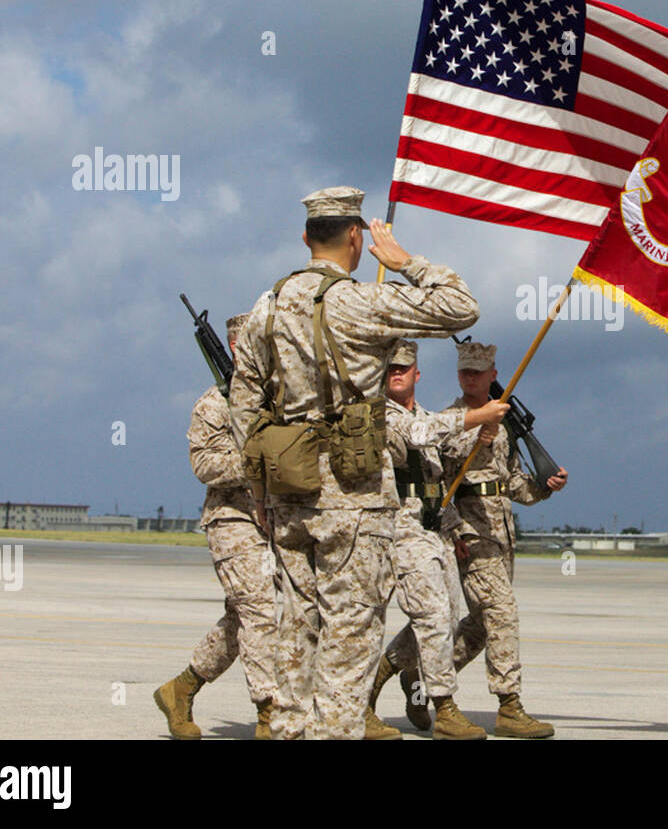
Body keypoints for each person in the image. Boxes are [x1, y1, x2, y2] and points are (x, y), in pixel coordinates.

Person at [229, 186, 479, 740]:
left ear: (304, 238)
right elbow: (461, 306)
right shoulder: (359, 301)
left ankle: (290, 731)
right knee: (353, 627)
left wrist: (258, 491)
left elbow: (243, 404)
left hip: (287, 488)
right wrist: (405, 262)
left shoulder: (265, 307)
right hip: (355, 490)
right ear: (354, 238)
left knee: (296, 623)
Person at [364, 339, 507, 740]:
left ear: (416, 374)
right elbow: (419, 432)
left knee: (442, 618)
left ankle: (375, 680)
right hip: (400, 529)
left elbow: (442, 474)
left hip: (436, 529)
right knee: (430, 616)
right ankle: (444, 706)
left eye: (403, 368)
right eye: (390, 367)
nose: (396, 373)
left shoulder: (425, 415)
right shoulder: (382, 415)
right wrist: (477, 416)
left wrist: (454, 526)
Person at [155, 313, 277, 740]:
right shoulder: (213, 403)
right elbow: (204, 464)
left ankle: (180, 688)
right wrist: (254, 463)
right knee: (260, 610)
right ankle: (269, 712)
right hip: (232, 516)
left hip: (275, 520)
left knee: (242, 617)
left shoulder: (278, 401)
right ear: (229, 349)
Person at [438, 341, 567, 738]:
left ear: (494, 375)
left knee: (479, 627)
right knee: (503, 614)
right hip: (471, 537)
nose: (471, 377)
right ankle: (509, 705)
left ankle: (417, 672)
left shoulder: (505, 420)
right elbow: (438, 483)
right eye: (465, 371)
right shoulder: (449, 420)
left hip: (501, 536)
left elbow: (512, 483)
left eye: (478, 371)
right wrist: (454, 529)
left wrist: (545, 486)